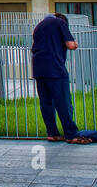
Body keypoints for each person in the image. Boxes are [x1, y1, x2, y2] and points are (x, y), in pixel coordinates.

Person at [32, 12, 91, 144]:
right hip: (55, 69)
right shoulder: (60, 23)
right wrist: (75, 43)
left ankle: (52, 134)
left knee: (46, 103)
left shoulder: (39, 27)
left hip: (38, 69)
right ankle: (72, 134)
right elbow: (71, 45)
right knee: (63, 102)